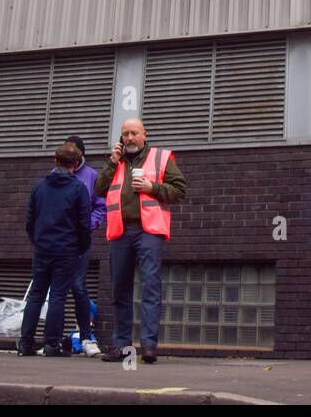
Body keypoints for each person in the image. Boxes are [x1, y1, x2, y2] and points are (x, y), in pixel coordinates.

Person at [94, 118, 187, 364]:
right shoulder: (116, 161)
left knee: (150, 288)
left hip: (149, 230)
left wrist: (152, 187)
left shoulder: (161, 157)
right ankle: (122, 347)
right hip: (120, 231)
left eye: (134, 133)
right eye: (125, 134)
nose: (130, 138)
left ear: (144, 134)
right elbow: (99, 190)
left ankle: (148, 346)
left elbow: (180, 191)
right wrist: (111, 164)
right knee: (120, 290)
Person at [19, 142, 92, 357]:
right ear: (76, 164)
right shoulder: (78, 189)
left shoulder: (39, 187)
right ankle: (52, 344)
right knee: (58, 296)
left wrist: (37, 240)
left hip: (42, 248)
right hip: (67, 249)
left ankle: (25, 344)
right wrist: (81, 247)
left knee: (36, 294)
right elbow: (84, 224)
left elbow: (30, 221)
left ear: (55, 160)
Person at [62, 135, 104, 357]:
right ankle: (53, 339)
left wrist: (89, 226)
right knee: (56, 290)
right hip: (59, 242)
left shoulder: (91, 176)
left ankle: (86, 337)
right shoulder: (55, 175)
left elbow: (100, 205)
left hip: (80, 242)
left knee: (78, 287)